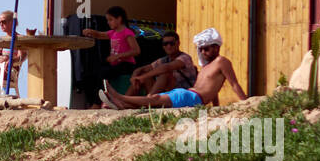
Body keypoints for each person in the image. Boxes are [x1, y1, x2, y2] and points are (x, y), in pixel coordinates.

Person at [105, 27, 246, 110]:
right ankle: (122, 102)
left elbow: (234, 84)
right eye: (201, 49)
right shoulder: (206, 66)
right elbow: (213, 89)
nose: (202, 52)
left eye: (206, 48)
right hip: (187, 93)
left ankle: (120, 97)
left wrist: (247, 104)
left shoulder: (222, 61)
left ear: (216, 46)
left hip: (193, 98)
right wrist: (215, 108)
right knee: (155, 100)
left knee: (155, 100)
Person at [81, 6, 141, 98]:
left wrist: (118, 56)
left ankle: (100, 101)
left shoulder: (127, 33)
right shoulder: (113, 33)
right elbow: (99, 35)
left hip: (126, 65)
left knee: (103, 74)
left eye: (110, 19)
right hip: (116, 65)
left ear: (119, 19)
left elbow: (136, 50)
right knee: (92, 73)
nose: (108, 22)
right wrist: (90, 32)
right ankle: (95, 100)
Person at [123, 30, 196, 100]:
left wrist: (142, 77)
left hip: (184, 95)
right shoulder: (164, 60)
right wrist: (135, 76)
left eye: (171, 43)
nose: (168, 46)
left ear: (178, 43)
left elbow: (166, 68)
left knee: (165, 73)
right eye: (165, 44)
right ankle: (124, 100)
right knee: (143, 74)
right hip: (169, 94)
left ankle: (150, 99)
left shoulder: (185, 58)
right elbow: (143, 69)